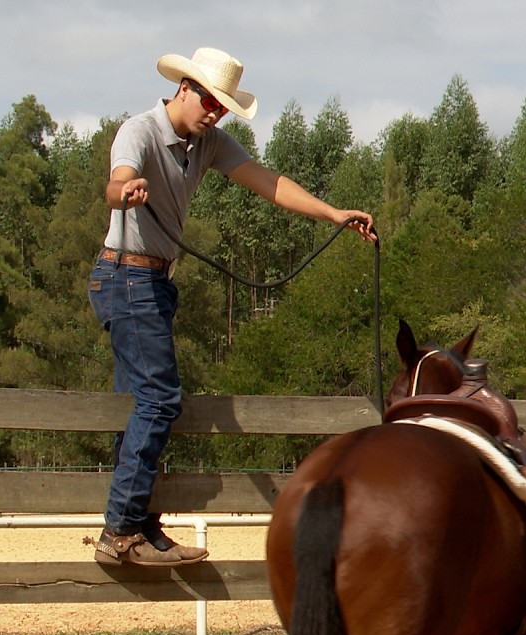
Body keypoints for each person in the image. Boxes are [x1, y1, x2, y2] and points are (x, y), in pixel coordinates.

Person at [87, 47, 377, 567]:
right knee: (159, 399)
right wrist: (123, 191)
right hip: (126, 275)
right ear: (184, 88)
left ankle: (137, 522)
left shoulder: (209, 142)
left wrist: (332, 213)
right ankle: (122, 528)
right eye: (209, 102)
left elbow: (270, 183)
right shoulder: (140, 130)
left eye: (222, 107)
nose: (214, 114)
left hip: (153, 283)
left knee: (137, 404)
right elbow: (116, 179)